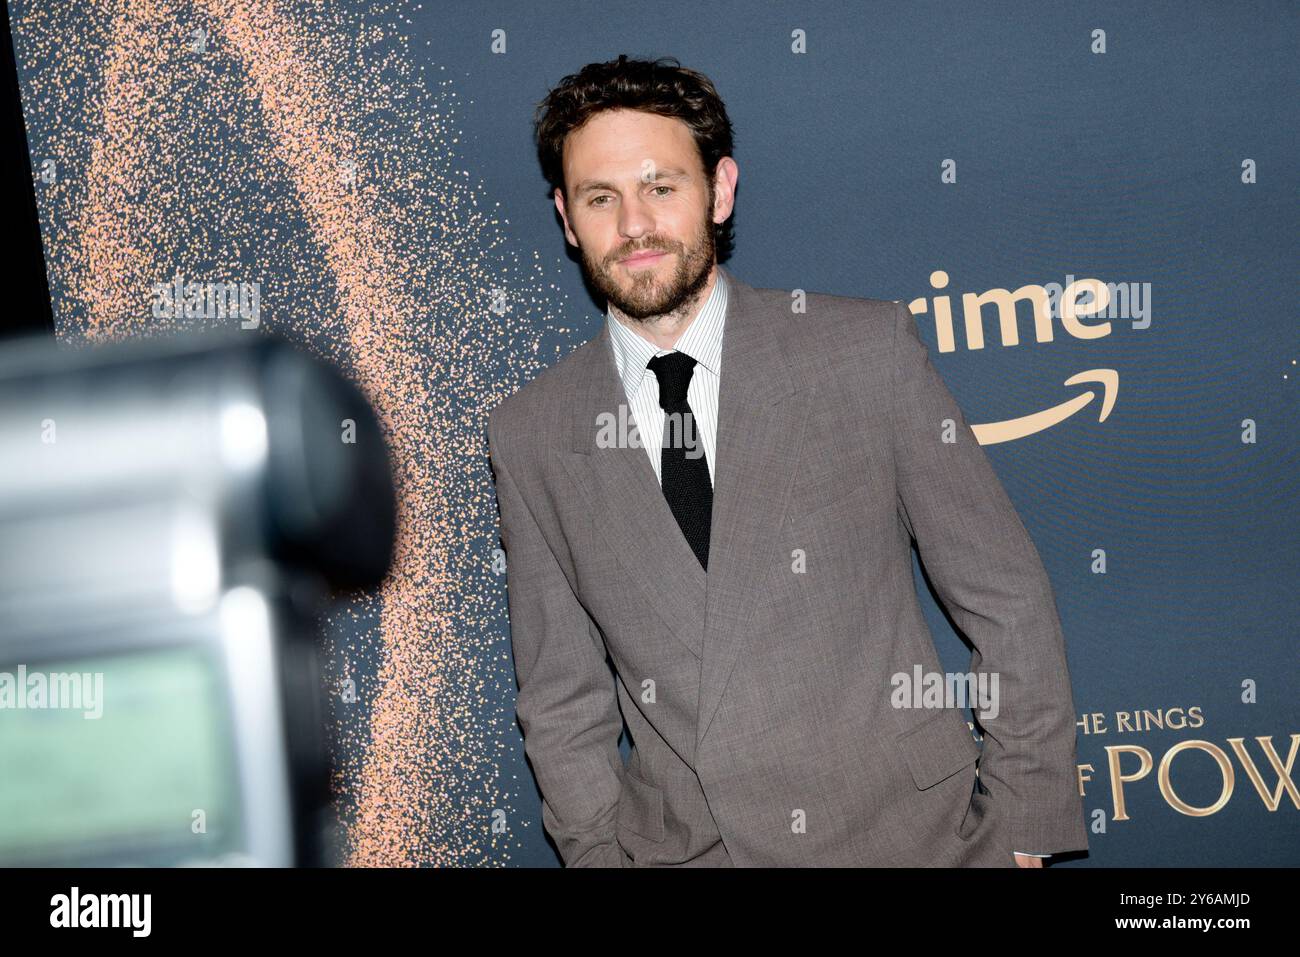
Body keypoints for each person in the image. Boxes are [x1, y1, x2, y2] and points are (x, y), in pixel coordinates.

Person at [486, 54, 1088, 867]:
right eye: (602, 198)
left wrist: (1020, 828)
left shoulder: (860, 352)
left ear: (720, 189)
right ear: (566, 216)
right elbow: (561, 701)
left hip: (913, 841)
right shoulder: (531, 432)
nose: (633, 225)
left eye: (661, 186)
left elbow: (1004, 595)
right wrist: (597, 854)